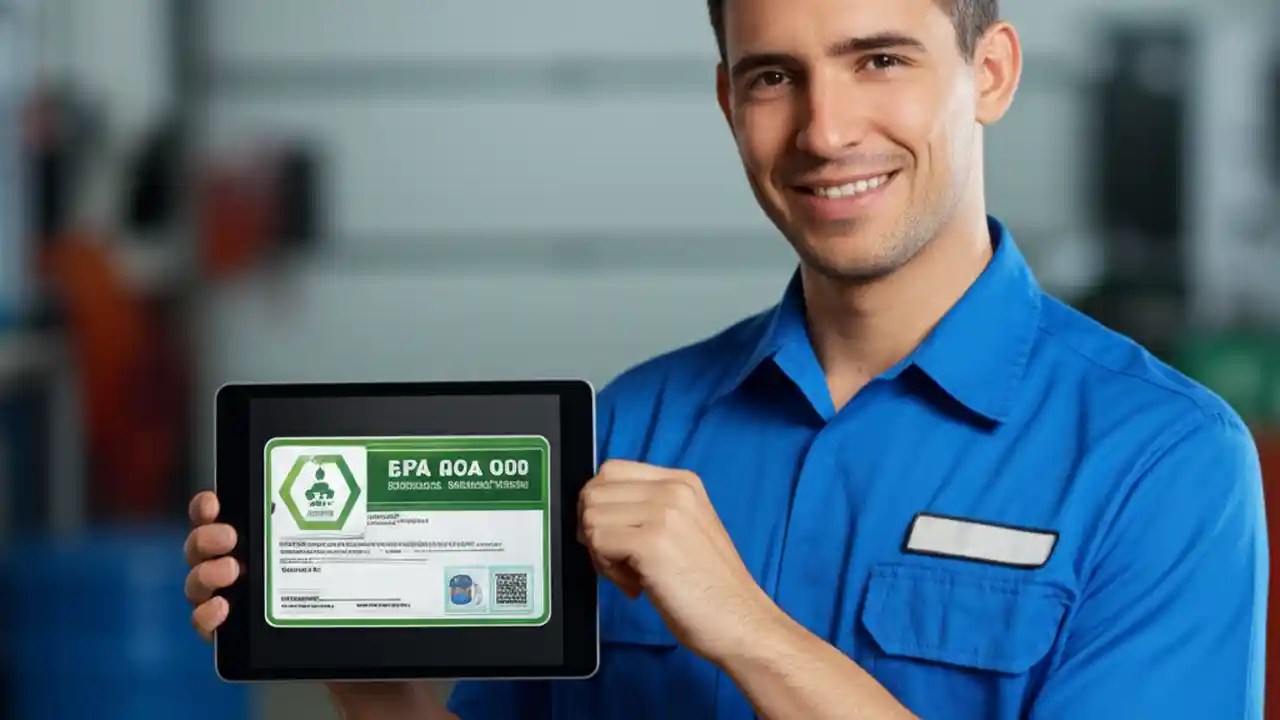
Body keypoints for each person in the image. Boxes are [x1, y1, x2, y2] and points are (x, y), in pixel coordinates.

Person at [184, 0, 1269, 717]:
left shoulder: (1160, 461)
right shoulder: (633, 426)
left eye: (876, 60)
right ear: (727, 103)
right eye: (771, 78)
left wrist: (744, 627)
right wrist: (364, 669)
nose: (824, 129)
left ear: (987, 72)